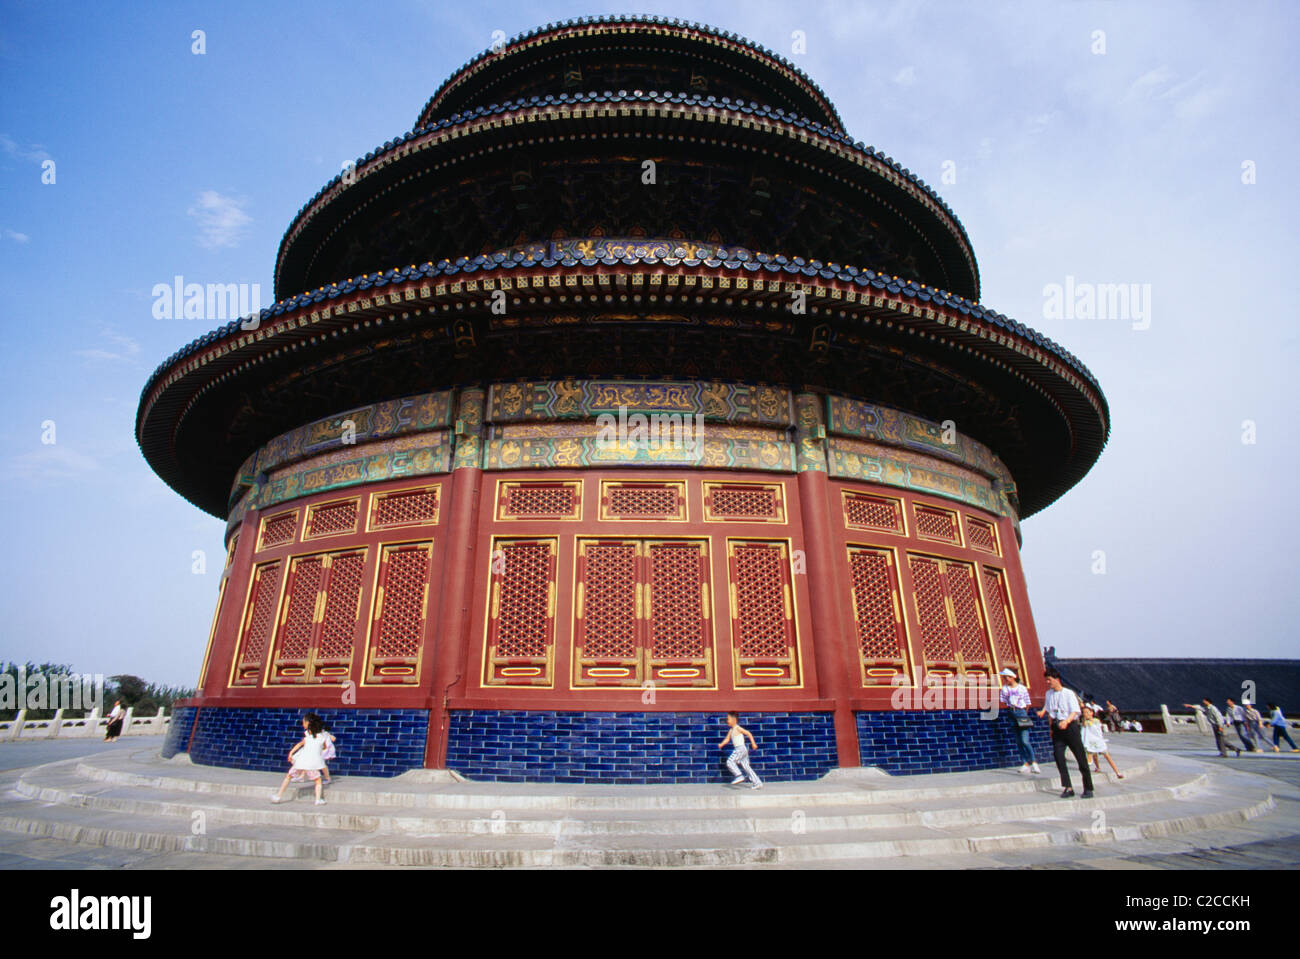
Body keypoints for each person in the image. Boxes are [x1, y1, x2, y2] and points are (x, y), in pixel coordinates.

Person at [1037, 668, 1094, 799]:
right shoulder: (1048, 694)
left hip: (1070, 727)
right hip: (1057, 728)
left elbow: (1075, 711)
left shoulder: (1068, 693)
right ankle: (1068, 787)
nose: (1048, 682)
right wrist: (1050, 726)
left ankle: (1088, 787)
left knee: (1080, 757)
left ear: (1057, 680)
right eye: (1046, 680)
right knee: (1059, 757)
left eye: (1049, 680)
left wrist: (1067, 721)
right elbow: (1049, 710)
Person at [271, 713, 330, 805]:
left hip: (300, 763)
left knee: (288, 777)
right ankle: (318, 800)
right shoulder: (322, 738)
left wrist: (291, 753)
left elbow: (299, 745)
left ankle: (278, 796)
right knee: (318, 780)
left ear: (308, 724)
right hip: (312, 765)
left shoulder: (307, 739)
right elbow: (324, 747)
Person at [999, 667, 1040, 774]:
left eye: (1007, 677)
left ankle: (1034, 762)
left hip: (1021, 712)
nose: (1006, 679)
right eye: (1005, 677)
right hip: (1011, 713)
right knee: (1018, 741)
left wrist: (1023, 713)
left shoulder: (1022, 688)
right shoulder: (1004, 689)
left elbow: (1027, 703)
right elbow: (1004, 701)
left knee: (1025, 740)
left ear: (1013, 677)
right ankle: (1025, 763)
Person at [717, 712, 761, 789]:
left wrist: (753, 743)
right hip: (743, 750)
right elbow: (727, 739)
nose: (727, 721)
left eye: (728, 719)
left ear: (734, 720)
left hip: (740, 749)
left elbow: (748, 733)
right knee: (746, 766)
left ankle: (739, 775)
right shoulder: (731, 730)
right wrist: (721, 744)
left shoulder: (737, 728)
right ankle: (757, 782)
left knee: (730, 761)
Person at [1081, 706, 1123, 778]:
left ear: (1092, 713)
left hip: (1098, 741)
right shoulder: (1084, 722)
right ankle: (1098, 767)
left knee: (1107, 756)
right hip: (1090, 742)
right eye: (1084, 713)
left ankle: (1117, 772)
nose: (1086, 714)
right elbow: (1084, 730)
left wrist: (1091, 722)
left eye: (1087, 712)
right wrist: (1085, 721)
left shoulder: (1096, 721)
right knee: (1094, 755)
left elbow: (1098, 731)